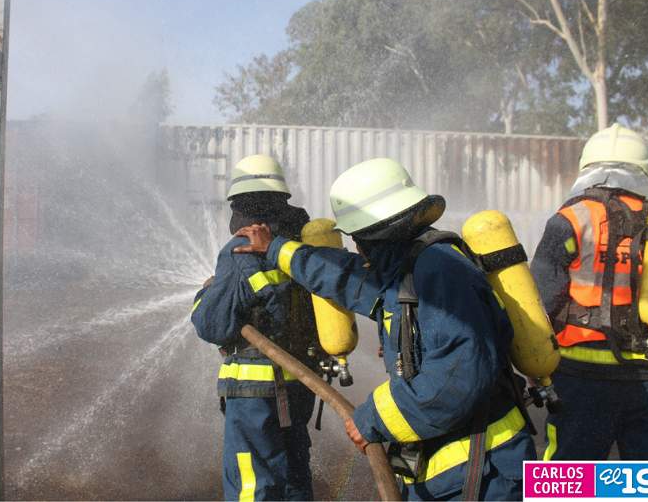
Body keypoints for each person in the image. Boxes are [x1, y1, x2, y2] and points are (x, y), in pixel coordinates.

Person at [235, 158, 535, 500]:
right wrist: (274, 248)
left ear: (375, 233)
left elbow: (455, 381)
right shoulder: (406, 269)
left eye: (358, 237)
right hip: (447, 469)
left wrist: (373, 418)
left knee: (595, 483)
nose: (357, 247)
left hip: (483, 474)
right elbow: (344, 276)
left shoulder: (441, 273)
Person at [530, 123, 648, 460]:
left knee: (567, 479)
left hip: (580, 376)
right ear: (645, 170)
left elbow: (540, 299)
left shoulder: (571, 218)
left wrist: (532, 364)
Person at [191, 154, 318, 501]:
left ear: (239, 204)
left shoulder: (241, 248)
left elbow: (213, 325)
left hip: (254, 393)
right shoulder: (297, 248)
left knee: (253, 484)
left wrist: (204, 294)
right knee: (293, 477)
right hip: (299, 385)